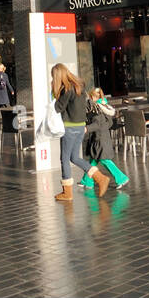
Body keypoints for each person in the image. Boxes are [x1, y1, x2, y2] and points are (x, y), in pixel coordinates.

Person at [51, 63, 108, 200]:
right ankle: (100, 178)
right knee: (75, 157)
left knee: (65, 159)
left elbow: (58, 108)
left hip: (69, 128)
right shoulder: (79, 86)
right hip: (80, 127)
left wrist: (53, 91)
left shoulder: (66, 89)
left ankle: (67, 193)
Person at [79, 88, 129, 192]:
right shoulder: (104, 106)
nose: (91, 98)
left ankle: (121, 178)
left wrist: (86, 128)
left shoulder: (96, 108)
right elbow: (109, 123)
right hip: (101, 136)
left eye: (92, 96)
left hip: (100, 138)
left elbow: (97, 124)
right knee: (93, 159)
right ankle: (86, 180)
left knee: (105, 160)